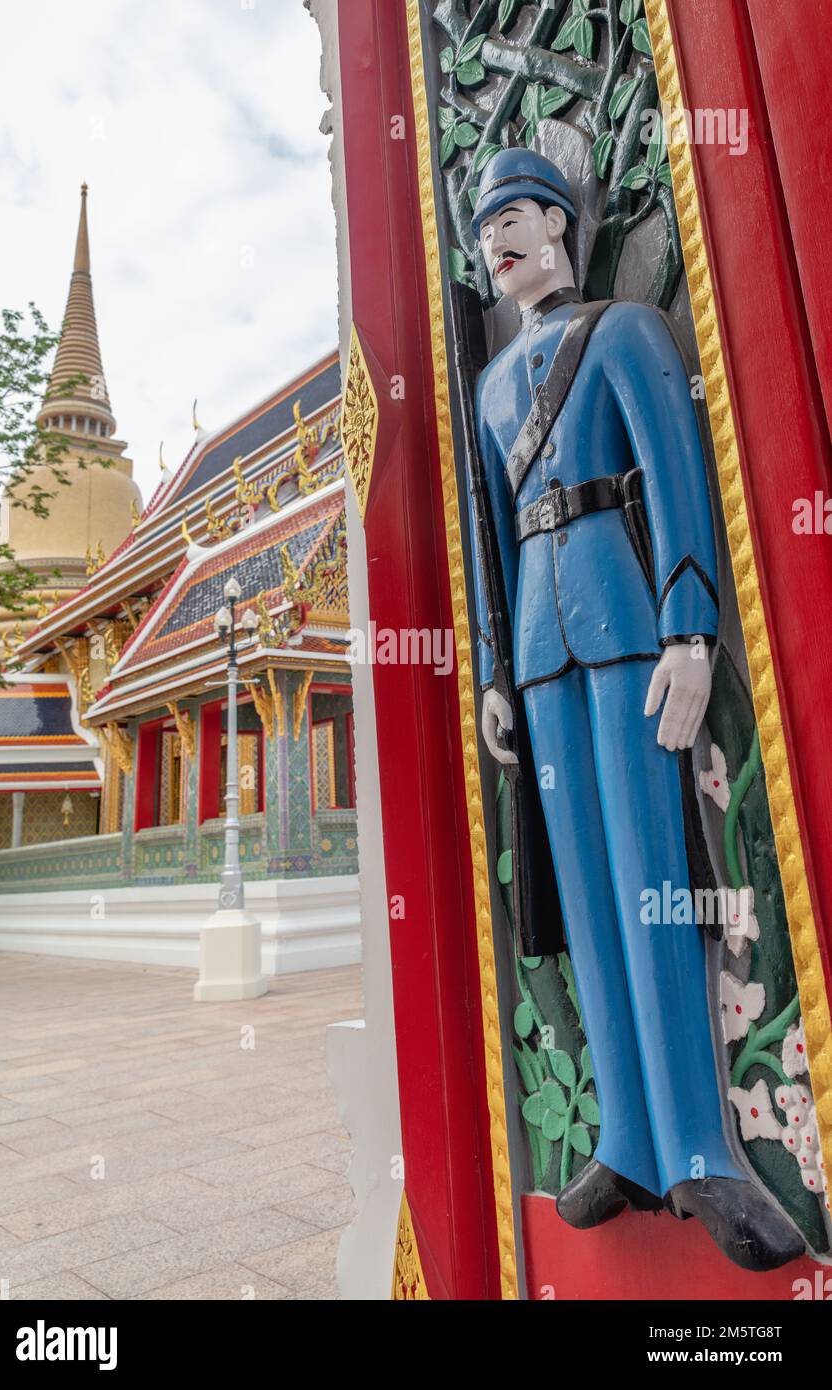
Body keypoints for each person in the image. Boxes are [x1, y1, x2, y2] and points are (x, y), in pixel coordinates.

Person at [467, 147, 803, 1271]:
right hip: (542, 652)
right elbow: (482, 546)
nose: (498, 241)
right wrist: (490, 676)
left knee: (656, 880)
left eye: (515, 217)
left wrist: (689, 632)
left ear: (560, 225)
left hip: (624, 629)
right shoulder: (485, 389)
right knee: (586, 892)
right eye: (483, 230)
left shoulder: (623, 336)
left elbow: (673, 475)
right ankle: (622, 1136)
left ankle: (700, 1146)